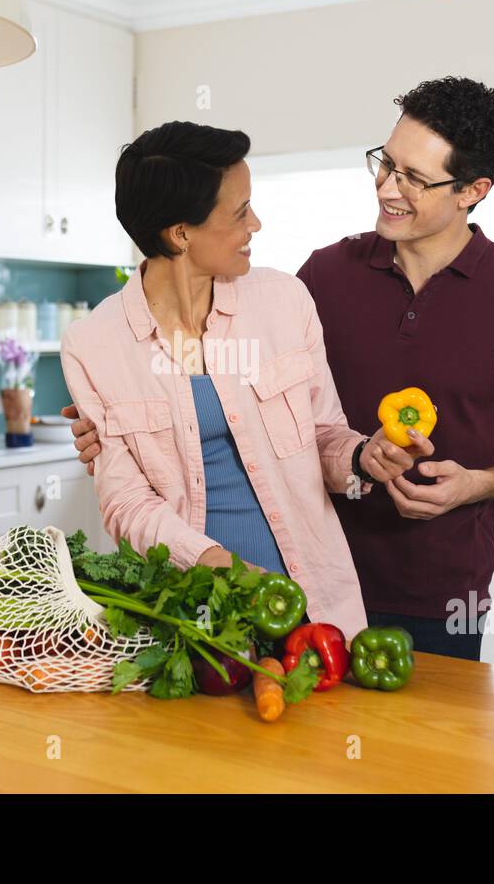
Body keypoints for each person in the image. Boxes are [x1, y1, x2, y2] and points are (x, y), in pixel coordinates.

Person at [65, 78, 494, 660]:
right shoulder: (322, 278)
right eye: (386, 164)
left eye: (414, 178)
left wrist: (481, 484)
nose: (388, 187)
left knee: (423, 749)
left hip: (432, 588)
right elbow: (261, 421)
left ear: (473, 190)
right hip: (306, 573)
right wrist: (110, 434)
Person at [60, 120, 425, 638]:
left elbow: (323, 434)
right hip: (189, 622)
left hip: (309, 605)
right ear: (180, 233)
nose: (256, 224)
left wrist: (365, 456)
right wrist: (221, 568)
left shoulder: (283, 301)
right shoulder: (93, 344)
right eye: (239, 213)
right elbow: (126, 502)